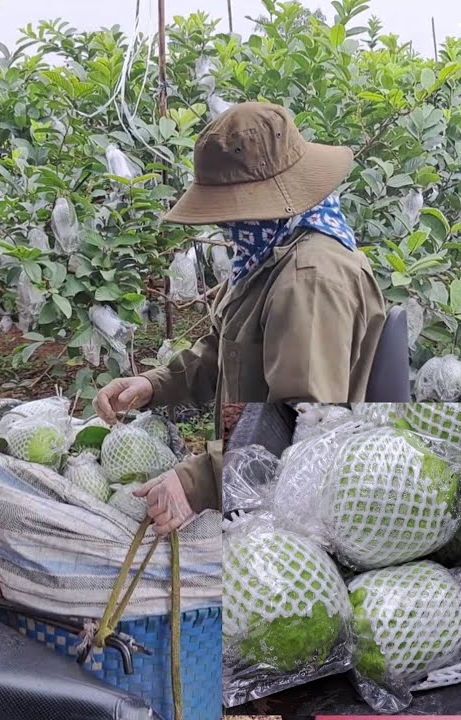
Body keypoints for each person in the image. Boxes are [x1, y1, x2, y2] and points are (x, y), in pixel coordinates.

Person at [98, 102, 387, 534]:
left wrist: (198, 483)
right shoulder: (272, 254)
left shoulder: (307, 283)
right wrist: (156, 383)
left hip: (296, 501)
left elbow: (300, 425)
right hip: (255, 475)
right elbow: (230, 349)